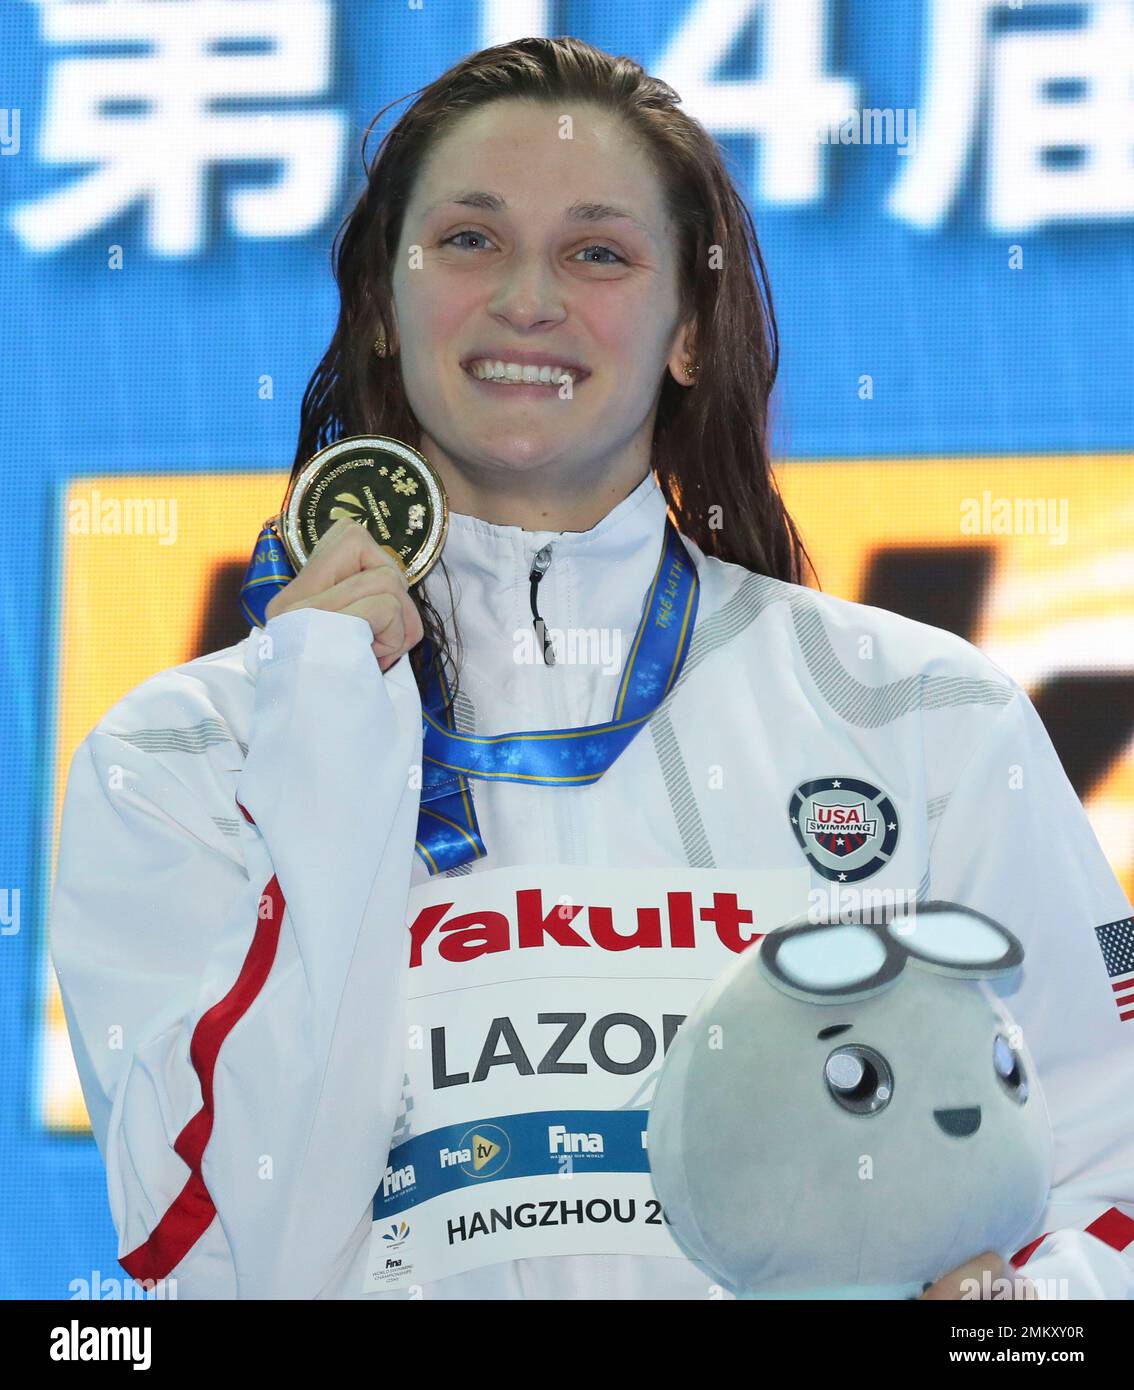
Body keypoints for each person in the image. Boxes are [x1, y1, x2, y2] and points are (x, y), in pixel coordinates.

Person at [50, 36, 1134, 1301]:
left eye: (598, 252)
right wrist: (327, 738)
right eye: (468, 239)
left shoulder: (926, 718)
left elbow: (1106, 1180)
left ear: (688, 330)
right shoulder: (180, 758)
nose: (527, 298)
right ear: (382, 315)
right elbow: (241, 1267)